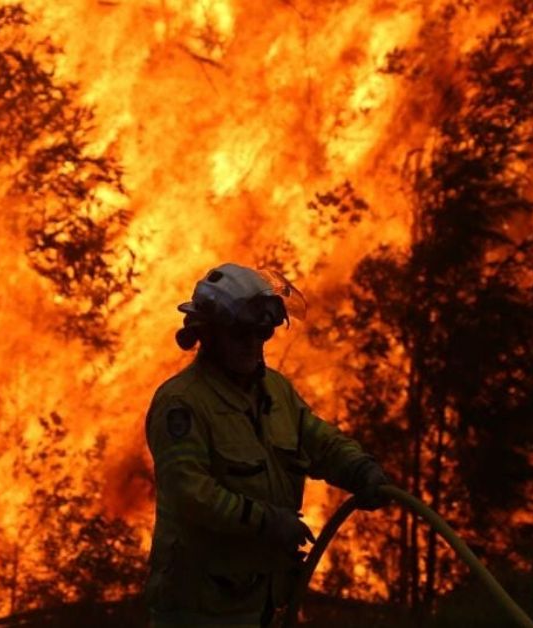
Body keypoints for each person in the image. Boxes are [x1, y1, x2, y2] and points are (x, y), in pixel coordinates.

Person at [144, 262, 391, 627]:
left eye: (262, 336)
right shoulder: (182, 404)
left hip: (265, 608)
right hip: (201, 611)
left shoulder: (275, 391)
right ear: (209, 336)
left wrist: (360, 469)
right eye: (242, 335)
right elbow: (191, 494)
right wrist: (267, 521)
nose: (254, 346)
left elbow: (318, 441)